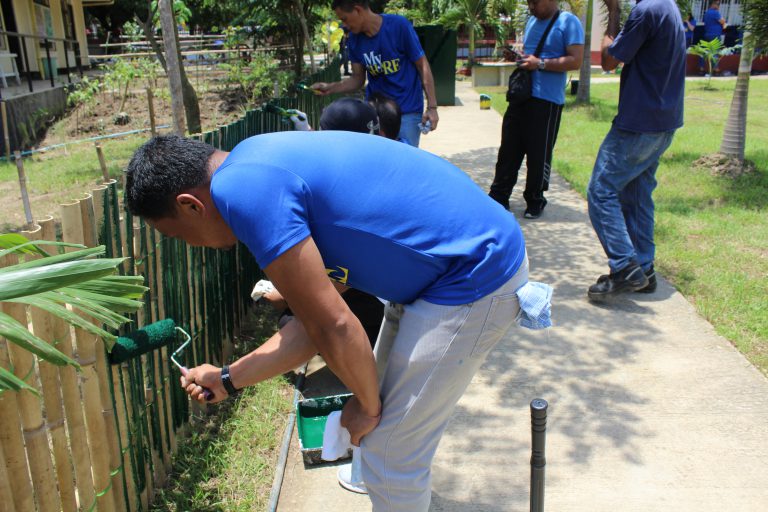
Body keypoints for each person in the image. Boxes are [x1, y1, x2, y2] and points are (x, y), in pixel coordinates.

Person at [124, 131, 551, 511]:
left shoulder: (243, 193)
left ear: (189, 205)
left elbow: (334, 327)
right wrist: (228, 378)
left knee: (388, 451)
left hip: (474, 275)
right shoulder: (250, 162)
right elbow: (311, 326)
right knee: (382, 436)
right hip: (443, 273)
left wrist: (366, 405)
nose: (190, 245)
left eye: (177, 235)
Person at [586, 0, 686, 301]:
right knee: (638, 194)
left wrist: (613, 12)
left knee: (601, 190)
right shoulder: (667, 5)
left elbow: (608, 60)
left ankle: (625, 268)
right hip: (663, 123)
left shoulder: (646, 11)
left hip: (638, 125)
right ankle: (644, 268)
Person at [487, 0, 584, 220]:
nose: (530, 6)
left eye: (535, 2)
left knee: (538, 153)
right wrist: (519, 58)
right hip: (522, 96)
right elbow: (530, 56)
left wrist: (539, 64)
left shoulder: (568, 22)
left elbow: (575, 60)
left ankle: (535, 198)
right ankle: (499, 195)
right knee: (509, 149)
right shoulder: (531, 21)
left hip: (546, 101)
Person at [309, 0, 439, 147]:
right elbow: (358, 79)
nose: (344, 25)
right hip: (376, 114)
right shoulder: (354, 40)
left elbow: (422, 65)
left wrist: (432, 108)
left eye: (344, 19)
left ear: (357, 10)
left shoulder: (399, 27)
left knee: (403, 161)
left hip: (407, 111)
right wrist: (330, 87)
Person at [701, 0, 727, 74]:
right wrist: (719, 13)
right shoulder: (715, 12)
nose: (718, 6)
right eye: (717, 4)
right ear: (713, 4)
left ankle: (702, 67)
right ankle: (715, 69)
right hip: (715, 35)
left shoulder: (706, 13)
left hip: (707, 34)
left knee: (706, 52)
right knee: (715, 52)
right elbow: (722, 21)